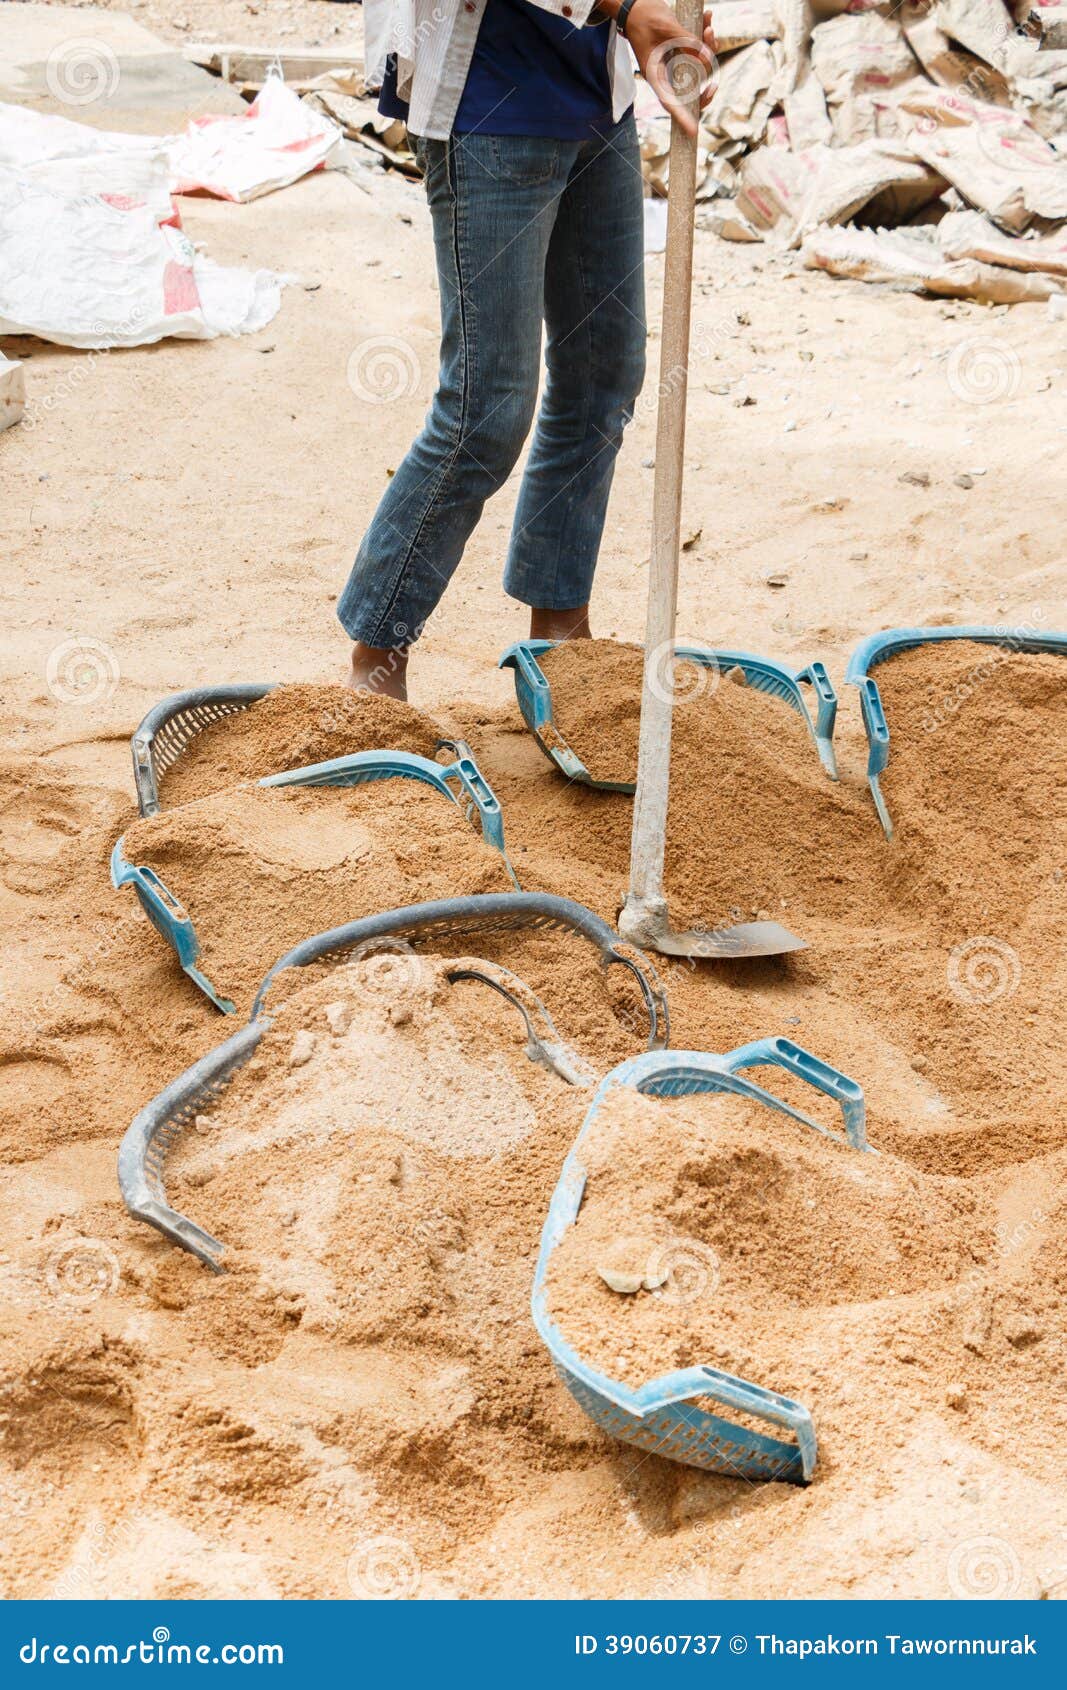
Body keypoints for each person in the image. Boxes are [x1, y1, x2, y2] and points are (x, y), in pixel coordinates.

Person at [339, 0, 716, 698]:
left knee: (603, 375)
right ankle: (376, 655)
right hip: (490, 101)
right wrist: (629, 8)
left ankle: (560, 628)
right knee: (485, 408)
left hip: (596, 101)